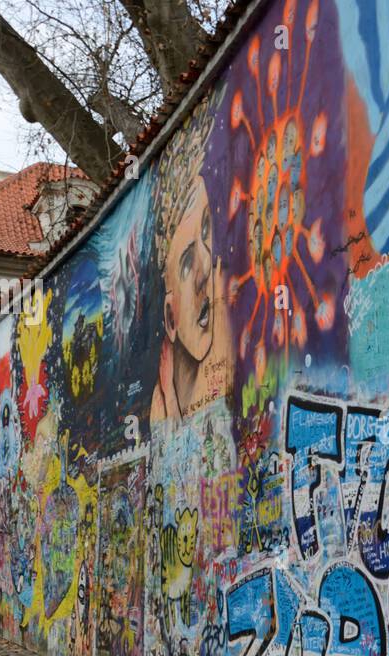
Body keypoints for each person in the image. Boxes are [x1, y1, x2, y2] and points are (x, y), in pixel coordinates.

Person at [151, 107, 233, 423]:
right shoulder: (160, 414)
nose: (206, 267)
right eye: (186, 263)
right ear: (170, 317)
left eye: (206, 231)